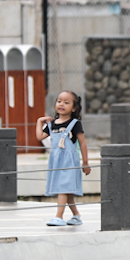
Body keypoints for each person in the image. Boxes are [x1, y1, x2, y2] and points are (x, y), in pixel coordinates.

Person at [37, 91, 91, 226]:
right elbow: (40, 137)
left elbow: (82, 143)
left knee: (63, 188)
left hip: (69, 162)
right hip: (56, 161)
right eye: (59, 101)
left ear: (74, 108)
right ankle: (76, 215)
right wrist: (39, 122)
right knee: (67, 190)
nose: (61, 104)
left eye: (66, 102)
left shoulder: (74, 123)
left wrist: (85, 162)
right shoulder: (52, 124)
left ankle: (58, 216)